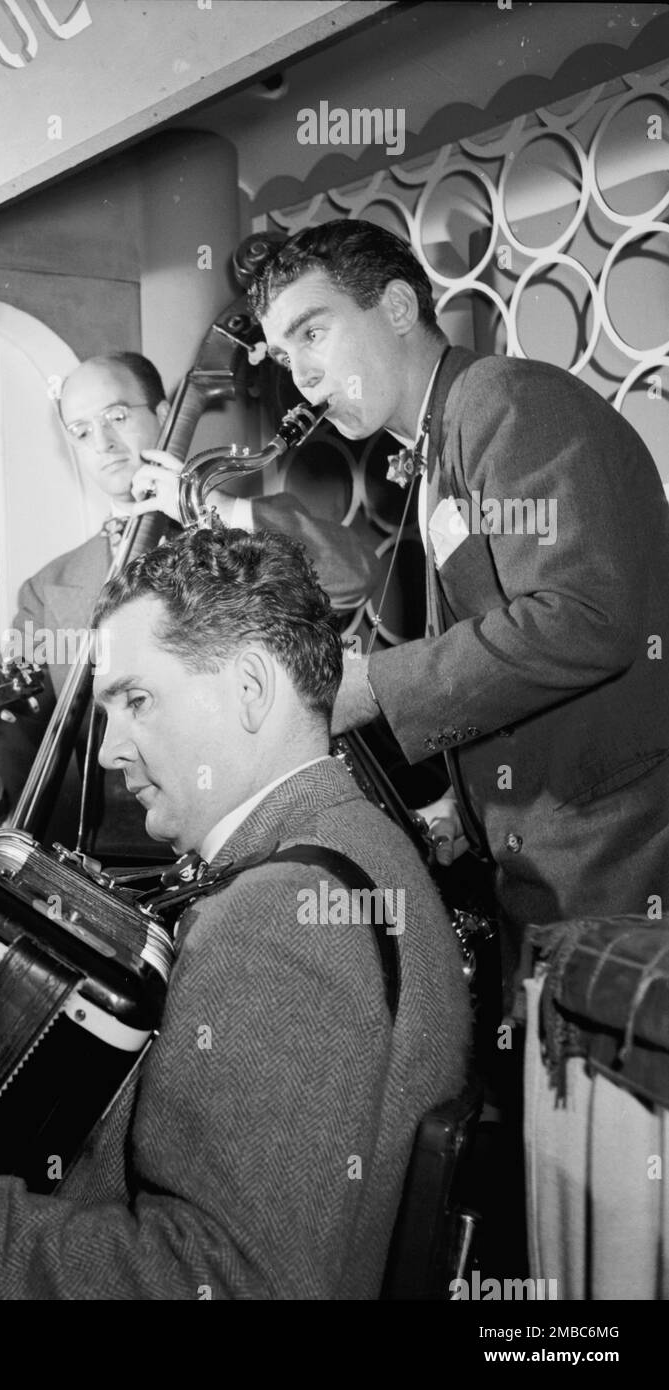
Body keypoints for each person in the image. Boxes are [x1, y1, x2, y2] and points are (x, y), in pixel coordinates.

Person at [0, 526, 471, 1299]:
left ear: (251, 689)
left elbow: (224, 1282)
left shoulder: (279, 919)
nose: (106, 751)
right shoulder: (356, 845)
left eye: (136, 700)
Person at [250, 218, 669, 1296]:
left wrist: (372, 688)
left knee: (620, 1227)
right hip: (567, 866)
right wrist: (455, 815)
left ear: (396, 305)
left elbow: (588, 614)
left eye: (311, 329)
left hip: (620, 862)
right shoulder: (436, 449)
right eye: (279, 349)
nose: (297, 371)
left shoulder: (501, 404)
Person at [0, 351, 381, 861]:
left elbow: (353, 576)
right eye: (80, 431)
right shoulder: (48, 586)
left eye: (117, 417)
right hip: (106, 857)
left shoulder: (230, 531)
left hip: (246, 843)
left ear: (164, 415)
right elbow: (24, 708)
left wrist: (210, 510)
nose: (102, 443)